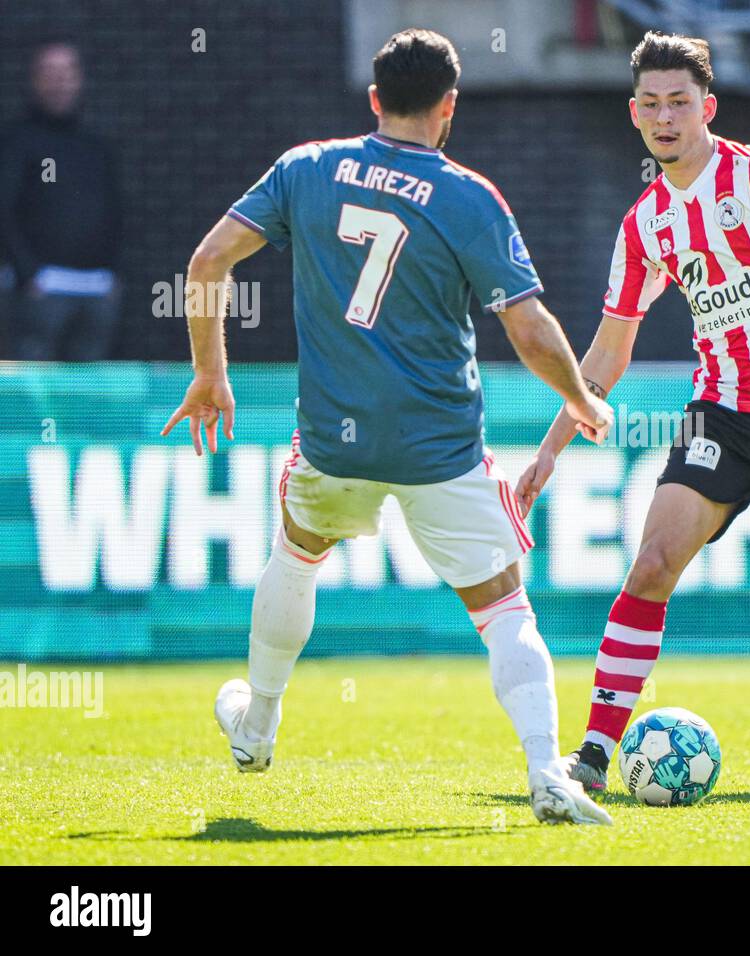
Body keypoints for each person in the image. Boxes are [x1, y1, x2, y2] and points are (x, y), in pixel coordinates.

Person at [161, 29, 613, 825]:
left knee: (296, 555)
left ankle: (256, 726)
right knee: (504, 609)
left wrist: (210, 373)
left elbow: (206, 262)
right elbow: (528, 326)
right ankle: (548, 772)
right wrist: (579, 397)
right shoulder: (470, 196)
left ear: (375, 99)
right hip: (440, 449)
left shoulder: (306, 167)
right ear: (449, 106)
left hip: (334, 442)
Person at [515, 32, 750, 791]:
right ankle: (594, 755)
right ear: (634, 114)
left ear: (707, 108)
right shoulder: (644, 224)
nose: (665, 117)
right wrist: (551, 447)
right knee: (652, 564)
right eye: (651, 104)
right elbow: (608, 351)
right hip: (722, 411)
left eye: (679, 102)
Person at [0, 41, 122, 360]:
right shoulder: (17, 142)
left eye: (67, 72)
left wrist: (111, 274)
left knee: (88, 383)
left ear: (79, 79)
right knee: (33, 381)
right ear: (34, 79)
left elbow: (115, 212)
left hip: (95, 288)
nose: (59, 82)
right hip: (40, 289)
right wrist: (28, 274)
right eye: (50, 72)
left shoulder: (96, 146)